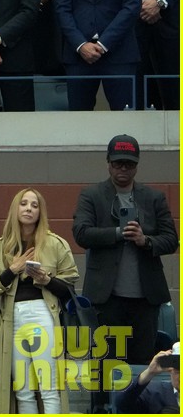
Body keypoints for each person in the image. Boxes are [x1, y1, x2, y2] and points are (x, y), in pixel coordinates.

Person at [72, 134, 178, 367]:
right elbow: (81, 233)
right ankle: (103, 405)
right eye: (117, 163)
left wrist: (145, 240)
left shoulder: (153, 198)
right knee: (105, 362)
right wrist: (119, 233)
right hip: (106, 298)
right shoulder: (92, 195)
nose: (123, 168)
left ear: (137, 166)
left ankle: (136, 404)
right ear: (108, 163)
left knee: (142, 363)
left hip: (145, 299)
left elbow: (172, 240)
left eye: (129, 164)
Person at [0, 187, 79, 414]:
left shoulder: (55, 244)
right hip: (12, 319)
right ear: (15, 208)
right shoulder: (1, 246)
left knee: (49, 386)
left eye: (35, 205)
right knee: (22, 389)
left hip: (43, 314)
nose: (29, 209)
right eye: (24, 203)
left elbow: (70, 286)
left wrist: (46, 280)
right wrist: (12, 269)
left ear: (41, 212)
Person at [115, 345, 180, 413]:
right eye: (178, 369)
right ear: (170, 369)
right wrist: (149, 372)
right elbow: (122, 405)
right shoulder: (154, 393)